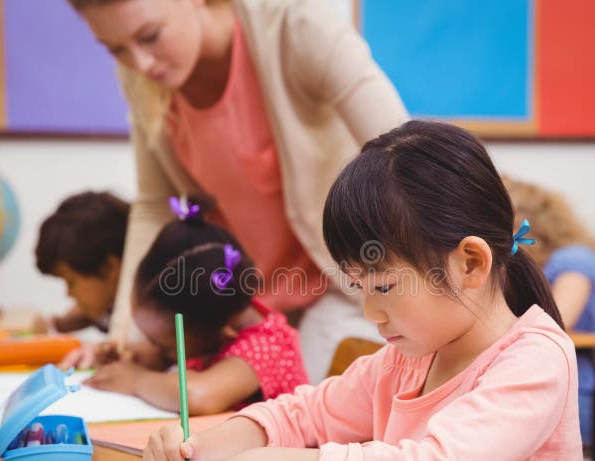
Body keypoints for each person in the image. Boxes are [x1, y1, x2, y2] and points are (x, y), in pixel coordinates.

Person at [119, 121, 591, 461]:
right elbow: (306, 415)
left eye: (382, 287)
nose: (370, 312)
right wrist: (200, 450)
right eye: (357, 287)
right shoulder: (407, 359)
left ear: (470, 263)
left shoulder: (535, 361)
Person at [66, 0, 409, 383]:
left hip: (341, 290)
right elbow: (154, 208)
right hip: (244, 303)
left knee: (295, 406)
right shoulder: (143, 74)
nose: (140, 63)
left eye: (150, 36)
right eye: (116, 49)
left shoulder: (297, 27)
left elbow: (406, 157)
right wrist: (127, 334)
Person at [82, 197, 309, 413]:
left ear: (221, 332)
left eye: (164, 348)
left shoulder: (267, 348)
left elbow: (198, 396)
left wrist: (136, 379)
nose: (158, 352)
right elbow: (173, 356)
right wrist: (128, 355)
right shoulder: (212, 325)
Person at [503, 176, 595, 445]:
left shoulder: (575, 259)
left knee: (492, 419)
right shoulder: (537, 268)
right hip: (569, 392)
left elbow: (558, 319)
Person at [35, 191, 129, 333]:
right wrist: (57, 325)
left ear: (109, 268)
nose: (68, 294)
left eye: (71, 281)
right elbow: (90, 310)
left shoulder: (160, 319)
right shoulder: (113, 302)